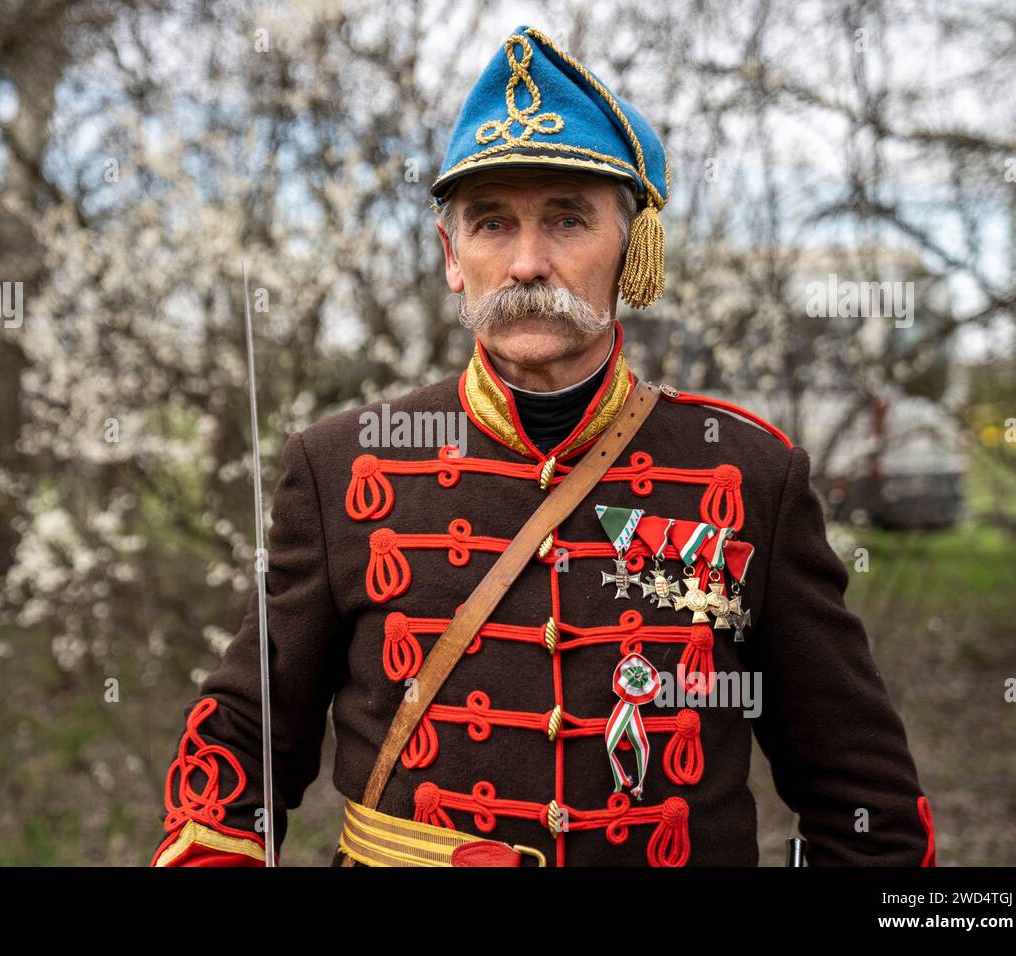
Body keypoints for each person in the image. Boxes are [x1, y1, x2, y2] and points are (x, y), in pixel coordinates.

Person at [151, 23, 937, 867]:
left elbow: (865, 805)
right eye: (493, 225)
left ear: (630, 248)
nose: (527, 263)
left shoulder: (749, 477)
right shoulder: (341, 467)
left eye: (567, 221)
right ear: (453, 257)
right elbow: (240, 747)